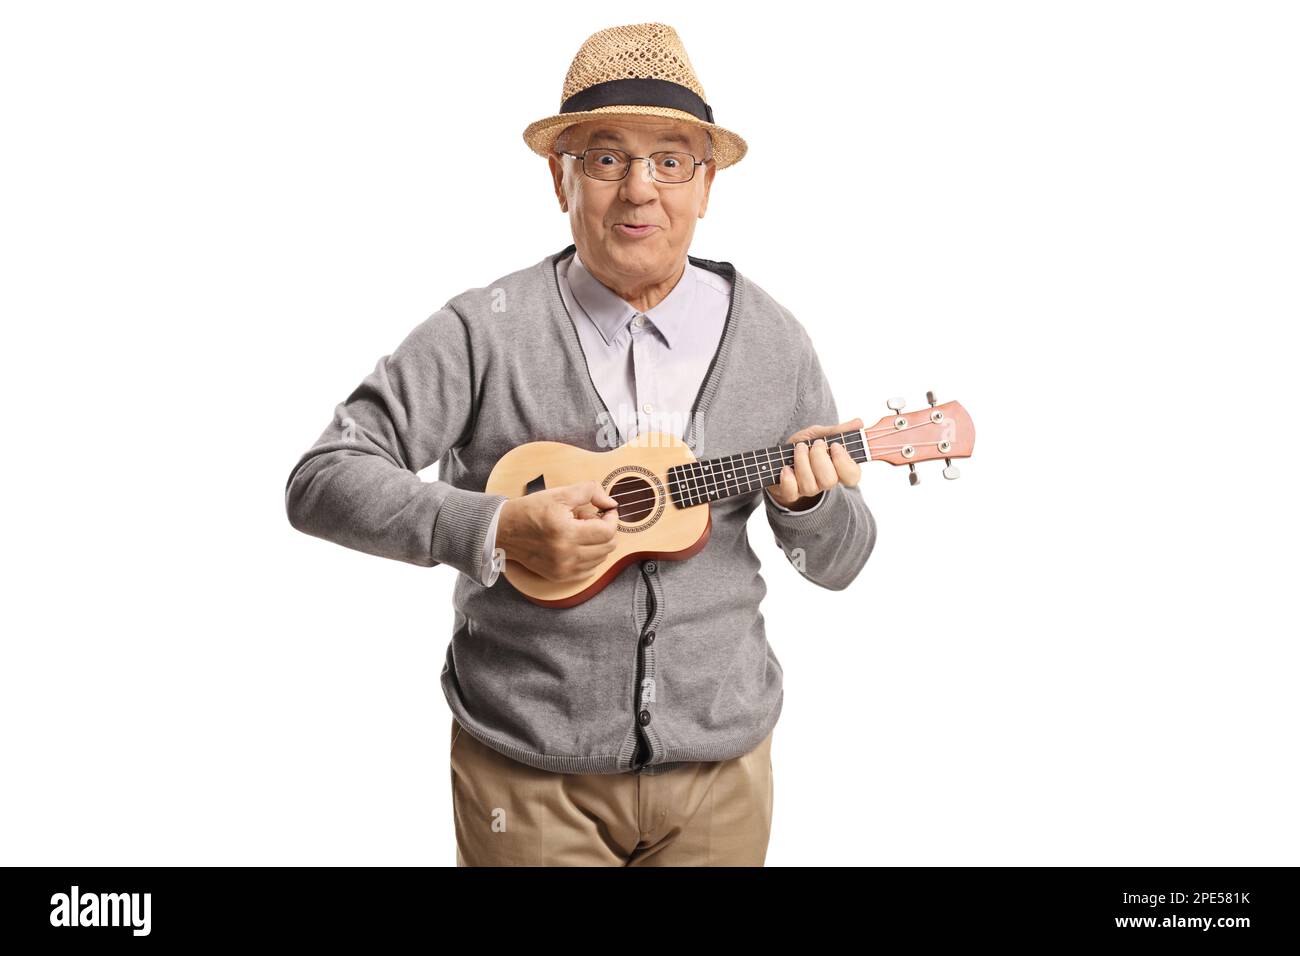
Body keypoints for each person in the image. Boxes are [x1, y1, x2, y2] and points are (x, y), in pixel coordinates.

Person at [285, 22, 878, 866]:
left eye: (671, 160)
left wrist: (813, 505)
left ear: (705, 185)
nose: (640, 191)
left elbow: (842, 564)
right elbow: (323, 479)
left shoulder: (775, 342)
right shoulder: (481, 332)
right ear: (558, 174)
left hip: (723, 777)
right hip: (525, 776)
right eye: (606, 158)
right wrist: (493, 529)